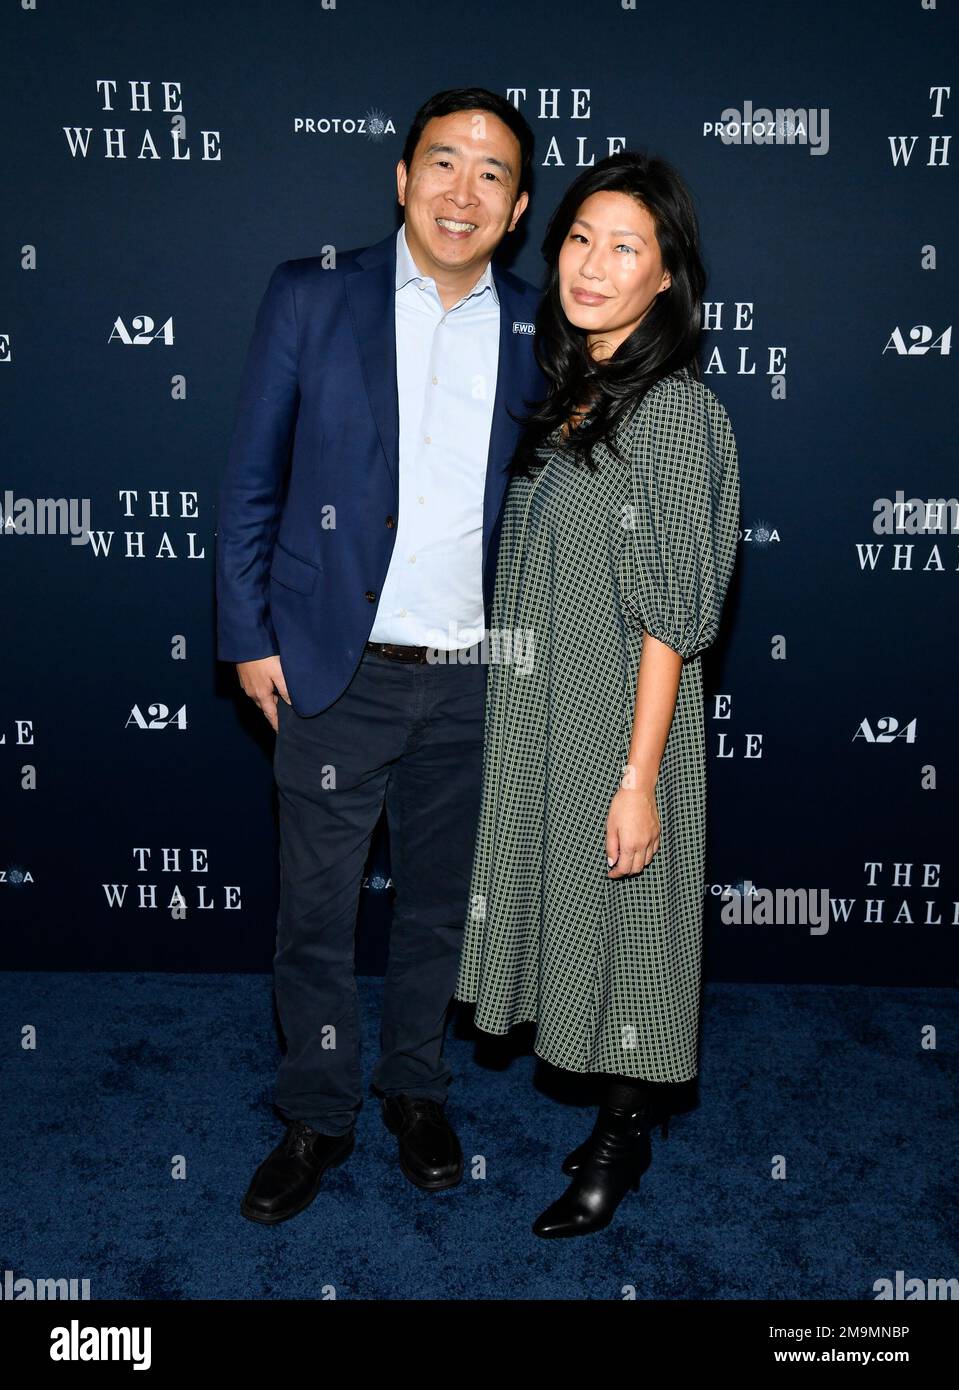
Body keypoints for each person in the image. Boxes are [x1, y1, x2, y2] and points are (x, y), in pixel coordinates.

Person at [215, 87, 543, 1224]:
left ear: (516, 207)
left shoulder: (535, 328)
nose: (463, 190)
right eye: (442, 163)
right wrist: (248, 633)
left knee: (438, 909)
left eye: (490, 172)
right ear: (400, 178)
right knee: (314, 912)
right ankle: (318, 1110)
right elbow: (251, 476)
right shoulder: (311, 296)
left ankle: (414, 1089)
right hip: (330, 668)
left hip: (475, 678)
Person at [454, 151, 741, 1238]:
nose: (592, 264)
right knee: (582, 914)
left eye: (626, 246)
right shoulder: (574, 394)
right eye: (580, 237)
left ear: (664, 278)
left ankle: (621, 1135)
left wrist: (639, 775)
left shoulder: (668, 413)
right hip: (546, 706)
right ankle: (608, 1111)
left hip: (622, 720)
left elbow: (671, 614)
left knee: (631, 924)